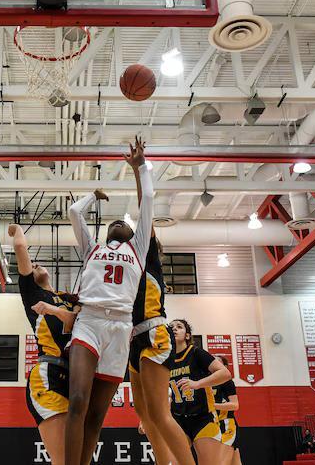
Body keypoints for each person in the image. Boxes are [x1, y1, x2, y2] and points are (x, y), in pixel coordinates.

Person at [65, 136, 154, 465]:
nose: (119, 221)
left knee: (95, 418)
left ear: (133, 235)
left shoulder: (138, 249)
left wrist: (141, 167)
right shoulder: (92, 249)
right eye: (113, 222)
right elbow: (74, 212)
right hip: (88, 323)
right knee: (77, 401)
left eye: (125, 223)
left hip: (120, 330)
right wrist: (93, 195)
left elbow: (149, 204)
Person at [127, 173, 194, 465]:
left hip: (154, 333)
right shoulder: (120, 269)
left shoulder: (148, 256)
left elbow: (146, 210)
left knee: (160, 414)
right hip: (133, 339)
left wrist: (139, 170)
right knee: (145, 415)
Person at [9, 223, 79, 464]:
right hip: (48, 375)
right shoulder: (33, 293)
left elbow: (77, 323)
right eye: (33, 264)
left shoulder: (66, 299)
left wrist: (58, 312)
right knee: (64, 460)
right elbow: (20, 246)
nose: (36, 264)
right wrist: (16, 229)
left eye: (40, 263)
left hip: (73, 378)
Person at [168, 319, 232, 464]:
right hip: (177, 418)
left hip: (203, 418)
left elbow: (225, 374)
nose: (174, 329)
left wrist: (197, 384)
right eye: (171, 327)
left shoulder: (196, 353)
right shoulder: (166, 359)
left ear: (188, 335)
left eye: (179, 327)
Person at [214, 355, 242, 465]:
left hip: (226, 424)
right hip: (213, 425)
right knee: (235, 461)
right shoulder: (206, 382)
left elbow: (235, 405)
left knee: (220, 462)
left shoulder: (227, 382)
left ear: (224, 367)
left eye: (217, 362)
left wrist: (214, 406)